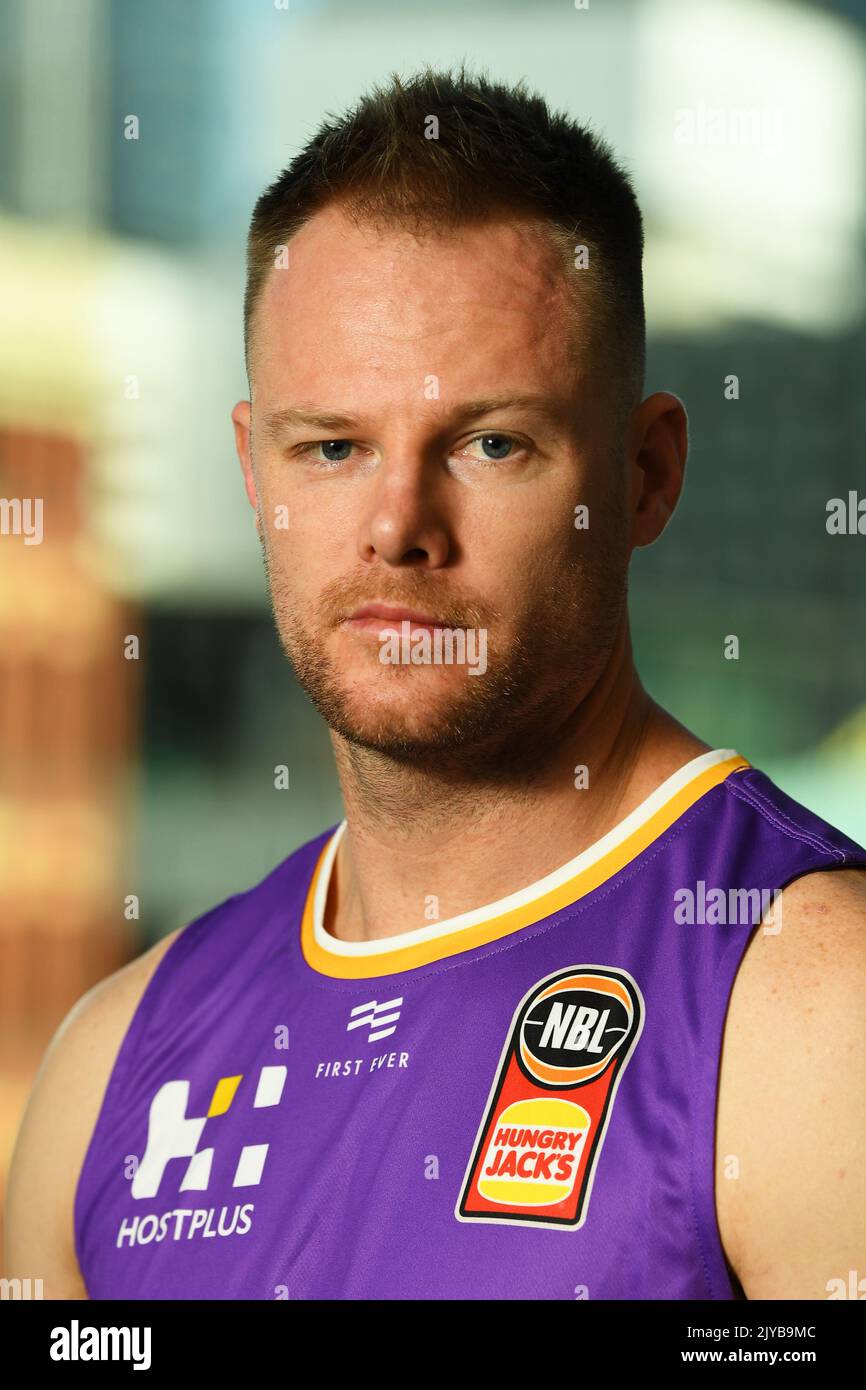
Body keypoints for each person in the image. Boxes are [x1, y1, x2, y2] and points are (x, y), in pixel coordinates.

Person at [7, 67, 866, 1301]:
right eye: (333, 447)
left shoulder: (804, 1006)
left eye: (490, 443)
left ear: (645, 475)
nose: (397, 527)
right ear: (256, 472)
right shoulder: (111, 1065)